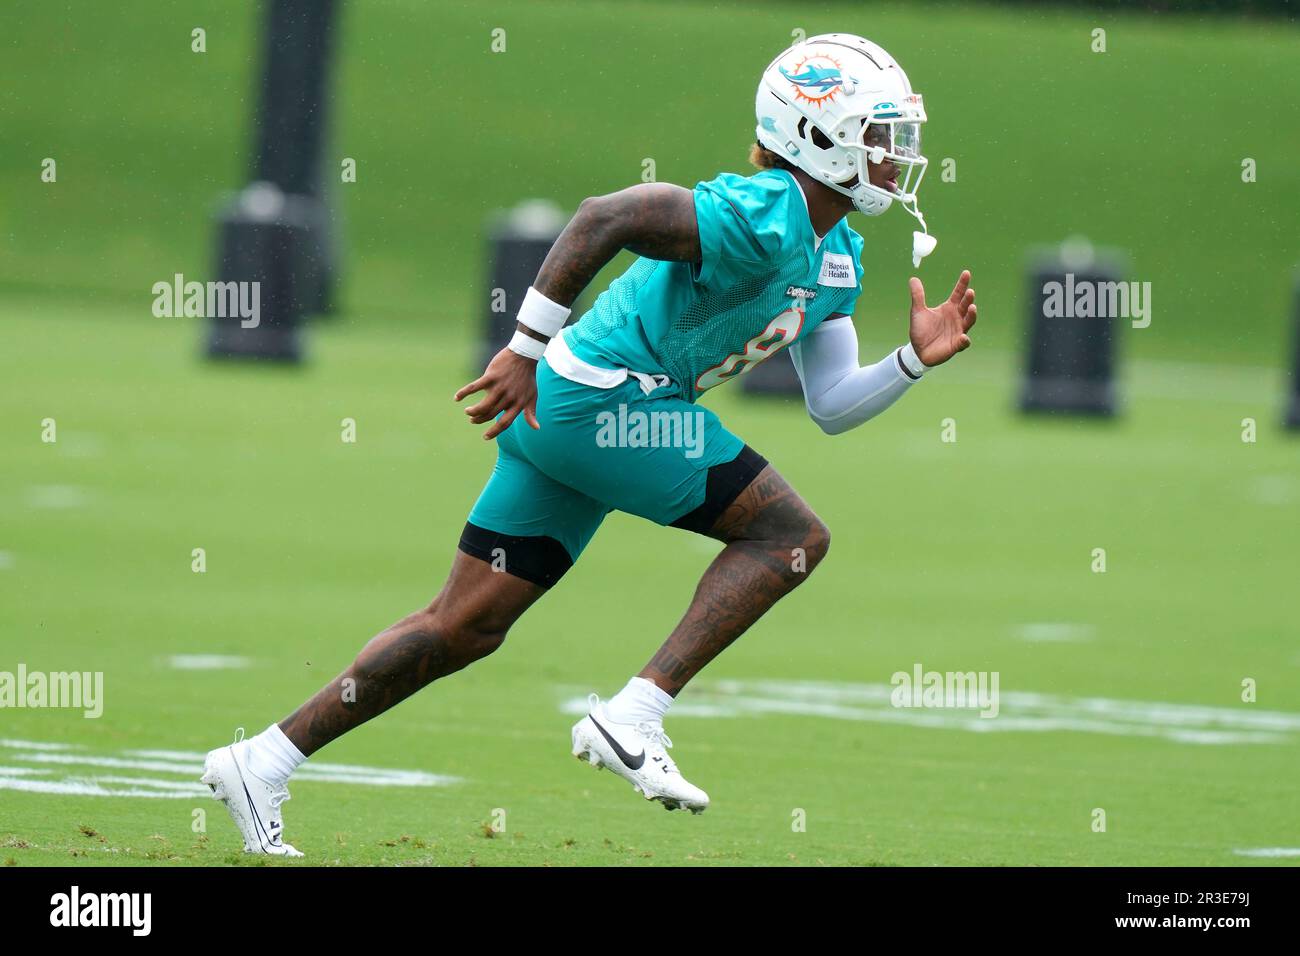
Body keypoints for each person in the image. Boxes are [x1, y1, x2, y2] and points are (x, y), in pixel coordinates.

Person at [200, 32, 977, 856]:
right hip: (600, 402)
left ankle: (262, 759)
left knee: (463, 626)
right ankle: (633, 714)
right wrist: (521, 349)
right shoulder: (766, 211)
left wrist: (910, 363)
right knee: (791, 536)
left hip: (579, 415)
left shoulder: (838, 255)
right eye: (880, 135)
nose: (897, 156)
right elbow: (605, 216)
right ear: (818, 137)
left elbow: (832, 405)